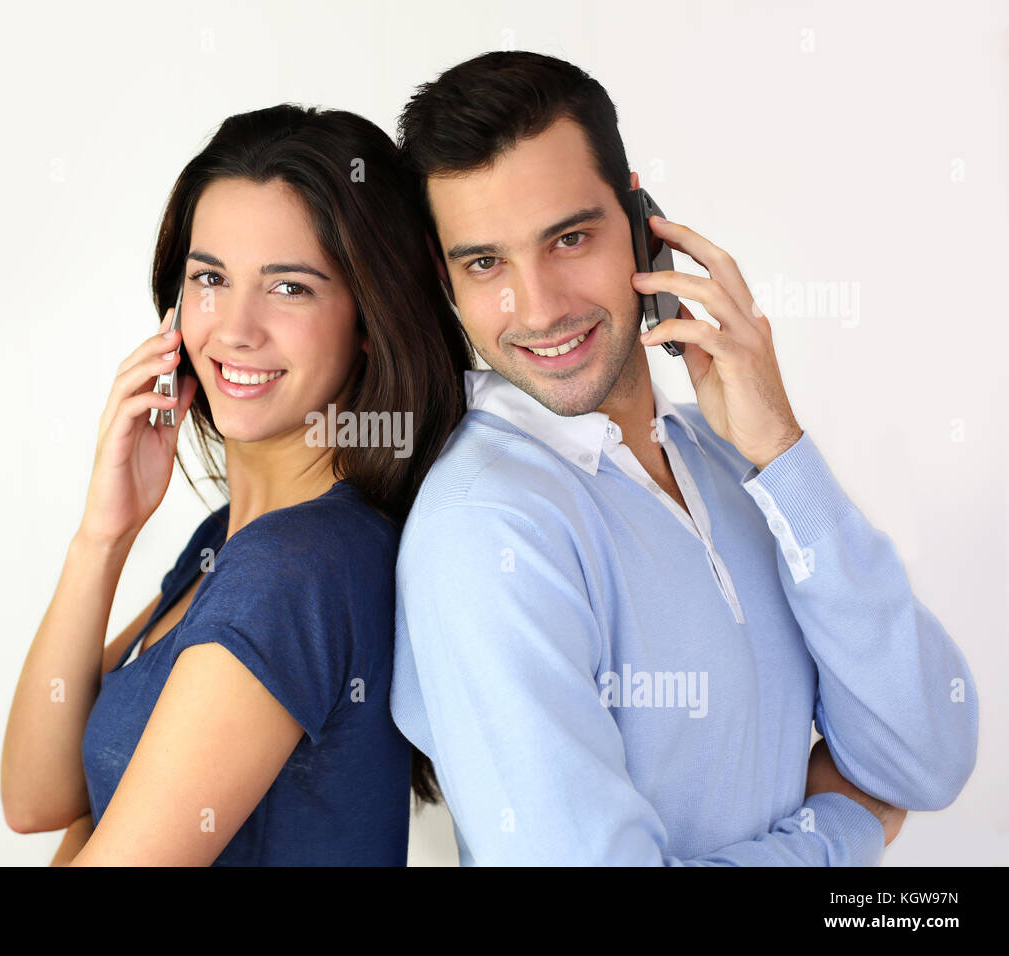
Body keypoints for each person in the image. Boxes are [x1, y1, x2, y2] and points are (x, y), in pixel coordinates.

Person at [389, 51, 979, 865]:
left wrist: (783, 453)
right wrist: (838, 831)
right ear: (443, 277)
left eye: (569, 238)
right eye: (485, 262)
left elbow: (928, 754)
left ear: (641, 220)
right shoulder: (485, 530)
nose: (541, 307)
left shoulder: (734, 460)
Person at [1, 104, 472, 865]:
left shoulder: (296, 567)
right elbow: (37, 796)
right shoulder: (230, 540)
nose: (236, 327)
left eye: (290, 288)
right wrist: (104, 534)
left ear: (368, 318)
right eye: (210, 278)